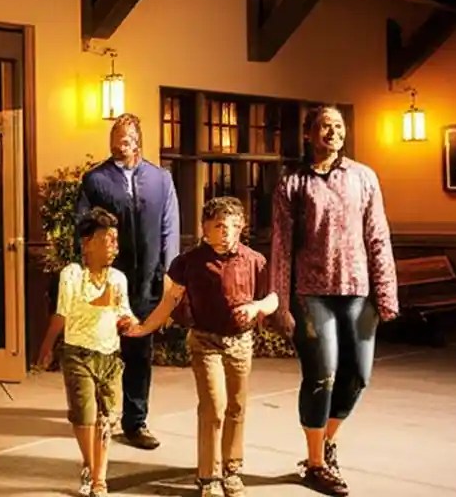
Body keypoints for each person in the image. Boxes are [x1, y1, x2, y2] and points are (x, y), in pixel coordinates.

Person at [270, 105, 399, 496]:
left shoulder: (364, 177)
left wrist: (386, 293)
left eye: (339, 126)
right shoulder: (292, 182)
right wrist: (280, 305)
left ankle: (326, 442)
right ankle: (315, 464)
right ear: (309, 134)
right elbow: (281, 246)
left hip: (359, 293)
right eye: (324, 126)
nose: (333, 132)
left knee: (357, 375)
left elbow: (378, 236)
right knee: (321, 375)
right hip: (311, 295)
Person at [128, 197, 277, 497]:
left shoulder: (254, 260)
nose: (226, 232)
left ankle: (232, 470)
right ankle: (208, 475)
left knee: (237, 406)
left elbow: (272, 298)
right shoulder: (188, 262)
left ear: (242, 227)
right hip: (205, 340)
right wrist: (144, 328)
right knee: (214, 406)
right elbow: (169, 302)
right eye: (219, 226)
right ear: (205, 228)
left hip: (240, 341)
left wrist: (256, 307)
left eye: (233, 226)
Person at [75, 113, 180, 450]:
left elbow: (170, 227)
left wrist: (170, 272)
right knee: (101, 349)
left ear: (138, 139)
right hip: (107, 280)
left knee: (140, 351)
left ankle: (136, 421)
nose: (120, 142)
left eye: (126, 137)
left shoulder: (161, 179)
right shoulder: (95, 180)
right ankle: (100, 414)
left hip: (147, 280)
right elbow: (82, 228)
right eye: (115, 136)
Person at [38, 207, 138, 497]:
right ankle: (93, 470)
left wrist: (130, 321)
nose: (114, 247)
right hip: (78, 353)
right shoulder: (73, 274)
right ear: (87, 243)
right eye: (107, 240)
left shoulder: (118, 279)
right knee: (85, 415)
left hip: (109, 355)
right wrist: (46, 347)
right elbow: (62, 313)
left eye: (116, 240)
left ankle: (99, 475)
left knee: (108, 417)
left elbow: (123, 310)